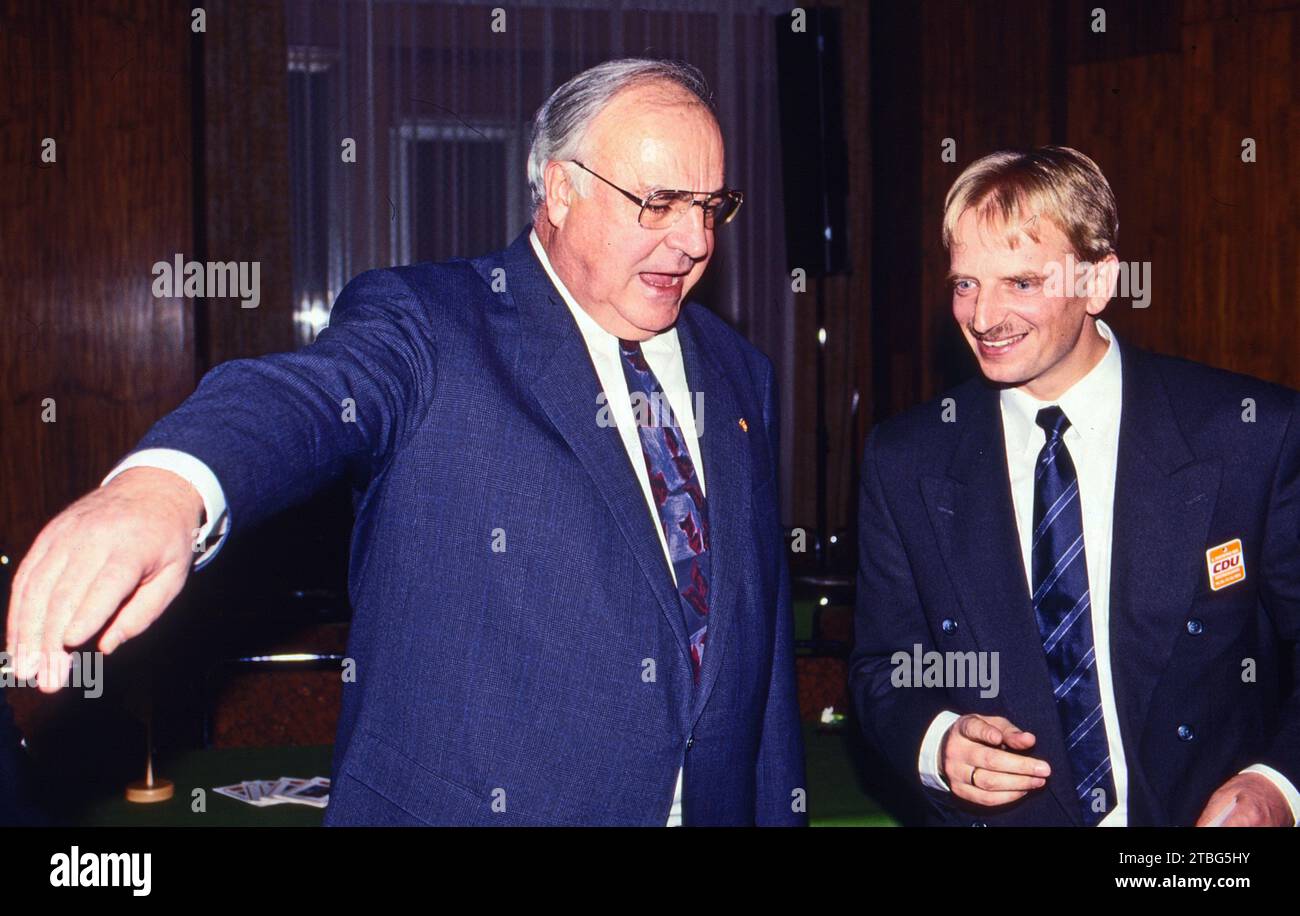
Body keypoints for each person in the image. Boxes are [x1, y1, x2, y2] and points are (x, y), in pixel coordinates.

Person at [5, 58, 805, 826]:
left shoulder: (740, 373)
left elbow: (756, 661)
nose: (694, 240)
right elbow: (305, 398)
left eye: (711, 206)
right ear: (562, 190)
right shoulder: (431, 326)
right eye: (658, 202)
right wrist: (166, 490)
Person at [850, 146, 1300, 826]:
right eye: (965, 283)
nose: (982, 316)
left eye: (1021, 283)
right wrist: (937, 742)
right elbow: (883, 669)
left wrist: (1277, 785)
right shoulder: (906, 460)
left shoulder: (1249, 435)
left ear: (1097, 283)